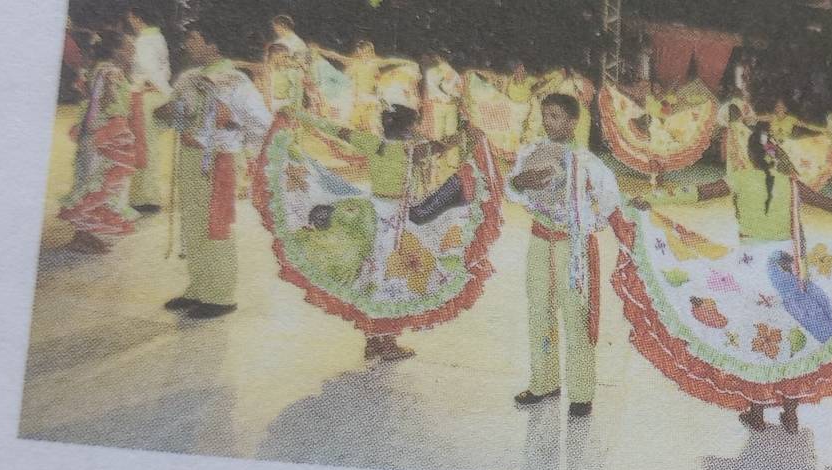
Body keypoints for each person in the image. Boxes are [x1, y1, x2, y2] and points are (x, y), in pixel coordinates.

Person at [622, 125, 832, 434]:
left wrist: (650, 201)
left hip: (751, 271)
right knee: (789, 335)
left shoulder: (739, 179)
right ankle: (790, 413)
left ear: (748, 154)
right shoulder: (790, 185)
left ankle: (757, 412)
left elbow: (695, 193)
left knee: (757, 337)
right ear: (776, 154)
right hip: (787, 269)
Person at [258, 100, 503, 362]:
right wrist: (468, 134)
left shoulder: (373, 144)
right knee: (389, 281)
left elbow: (335, 130)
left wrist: (298, 114)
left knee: (373, 278)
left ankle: (374, 341)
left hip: (373, 216)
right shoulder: (411, 152)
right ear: (409, 130)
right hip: (396, 223)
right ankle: (386, 343)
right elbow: (442, 145)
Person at [507, 94, 628, 417]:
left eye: (557, 116)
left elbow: (609, 204)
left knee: (576, 316)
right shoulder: (531, 152)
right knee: (539, 311)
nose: (548, 121)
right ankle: (543, 382)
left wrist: (580, 219)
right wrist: (519, 181)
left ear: (573, 122)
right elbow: (512, 187)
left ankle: (581, 391)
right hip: (538, 240)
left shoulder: (589, 163)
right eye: (546, 115)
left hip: (572, 247)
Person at [154, 25, 272, 319]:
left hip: (219, 161)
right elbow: (177, 117)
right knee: (193, 225)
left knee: (214, 225)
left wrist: (232, 126)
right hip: (190, 156)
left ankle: (220, 295)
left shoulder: (236, 82)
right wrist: (167, 113)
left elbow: (262, 124)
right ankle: (199, 287)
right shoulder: (189, 78)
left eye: (193, 37)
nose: (188, 43)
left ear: (212, 43)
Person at [58, 31, 143, 255]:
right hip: (102, 136)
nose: (132, 51)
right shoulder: (111, 72)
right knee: (94, 184)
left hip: (101, 134)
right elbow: (109, 106)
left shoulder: (108, 70)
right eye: (128, 46)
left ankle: (86, 235)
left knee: (93, 183)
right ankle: (82, 237)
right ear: (116, 50)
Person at [124, 6, 170, 213]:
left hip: (144, 97)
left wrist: (152, 85)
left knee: (142, 148)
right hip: (156, 94)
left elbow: (150, 70)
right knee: (149, 147)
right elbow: (165, 69)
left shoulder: (143, 40)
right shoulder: (158, 36)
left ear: (136, 18)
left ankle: (144, 197)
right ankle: (146, 195)